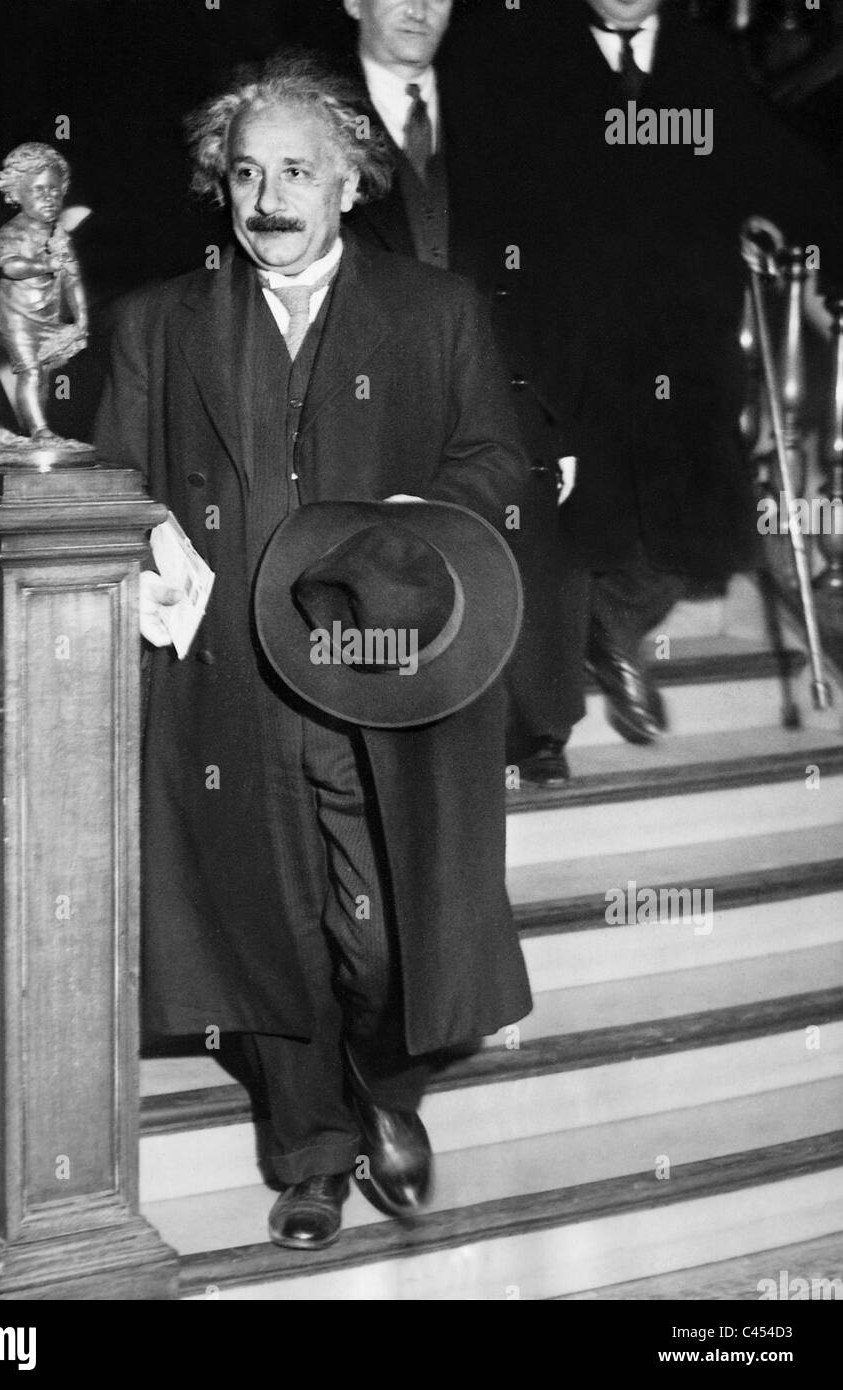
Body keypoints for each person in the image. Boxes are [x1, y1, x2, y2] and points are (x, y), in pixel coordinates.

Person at [92, 52, 536, 1251]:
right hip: (230, 679)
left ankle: (389, 1088)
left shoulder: (434, 310)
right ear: (218, 189)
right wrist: (148, 524)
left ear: (350, 183)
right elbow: (108, 482)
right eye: (244, 174)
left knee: (391, 928)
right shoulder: (155, 323)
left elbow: (498, 463)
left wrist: (405, 524)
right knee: (264, 917)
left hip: (386, 664)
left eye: (297, 171)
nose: (267, 198)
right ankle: (311, 1152)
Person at [458, 0, 843, 747]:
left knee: (707, 527)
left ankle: (613, 629)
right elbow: (490, 192)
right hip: (566, 341)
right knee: (573, 521)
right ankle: (544, 706)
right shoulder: (525, 52)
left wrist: (773, 222)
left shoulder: (702, 60)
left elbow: (769, 165)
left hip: (686, 344)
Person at [339, 0, 584, 786]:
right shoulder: (315, 116)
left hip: (504, 386)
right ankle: (407, 735)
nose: (417, 8)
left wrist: (563, 415)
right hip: (370, 387)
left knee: (527, 549)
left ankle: (537, 732)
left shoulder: (500, 116)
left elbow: (554, 276)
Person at [0, 143, 89, 443]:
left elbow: (72, 279)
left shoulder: (57, 234)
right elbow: (11, 266)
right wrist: (46, 262)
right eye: (38, 190)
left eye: (55, 191)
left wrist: (82, 318)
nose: (49, 198)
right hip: (17, 315)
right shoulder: (13, 232)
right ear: (15, 194)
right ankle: (38, 430)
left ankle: (35, 426)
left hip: (48, 313)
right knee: (30, 371)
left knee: (43, 374)